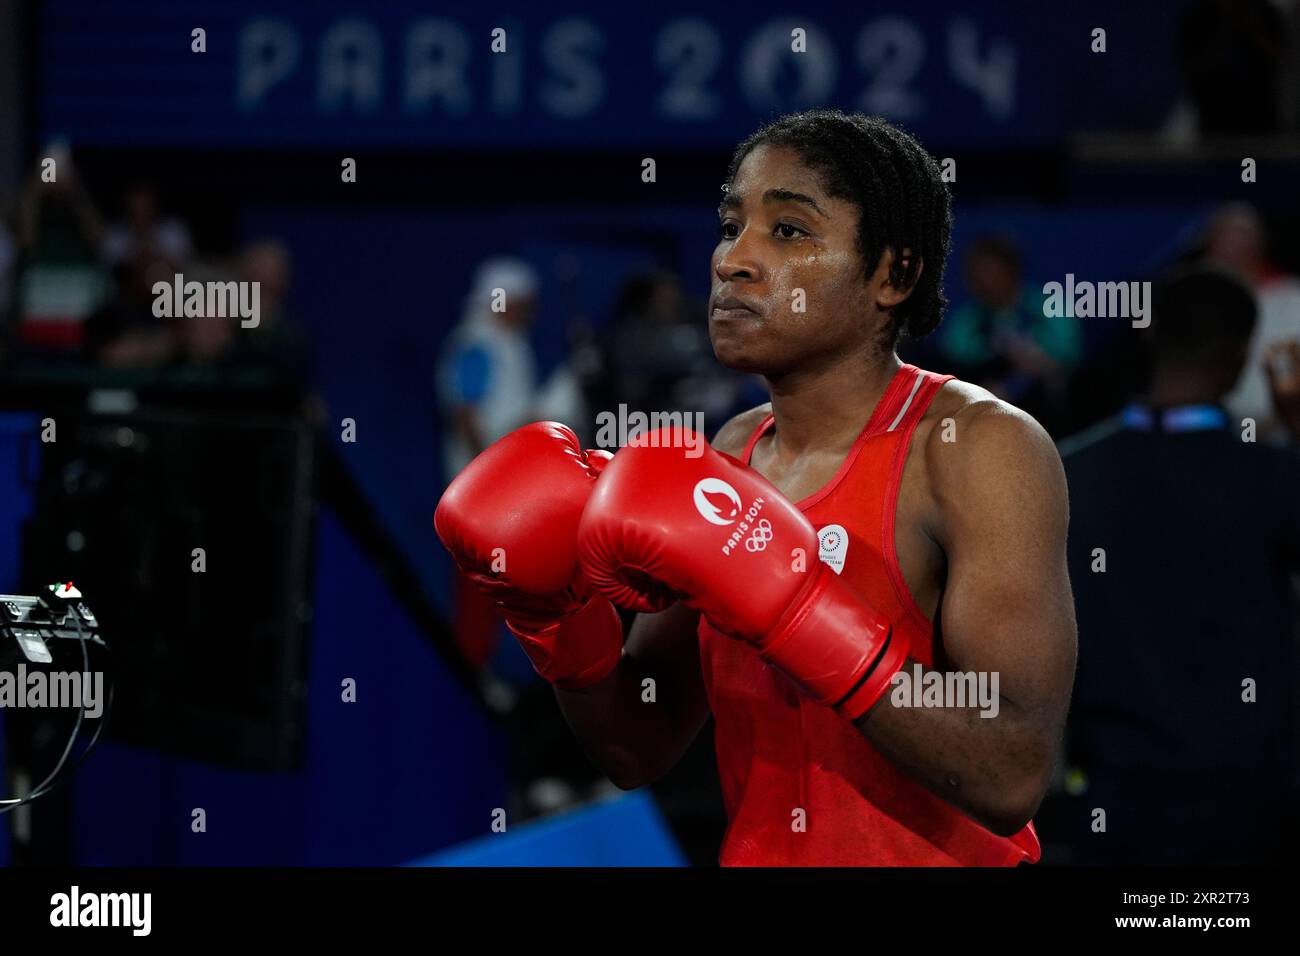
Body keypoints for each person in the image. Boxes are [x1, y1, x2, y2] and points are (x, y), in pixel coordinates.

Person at [436, 110, 1077, 865]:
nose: (733, 260)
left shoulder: (977, 446)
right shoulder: (728, 457)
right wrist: (554, 618)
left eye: (790, 232)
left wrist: (800, 612)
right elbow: (636, 746)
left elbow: (1013, 772)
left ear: (892, 274)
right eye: (731, 224)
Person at [1060, 265, 1300, 865]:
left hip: (1112, 793)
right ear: (1242, 355)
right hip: (1251, 800)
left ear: (1151, 336)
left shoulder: (1063, 475)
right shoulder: (1271, 476)